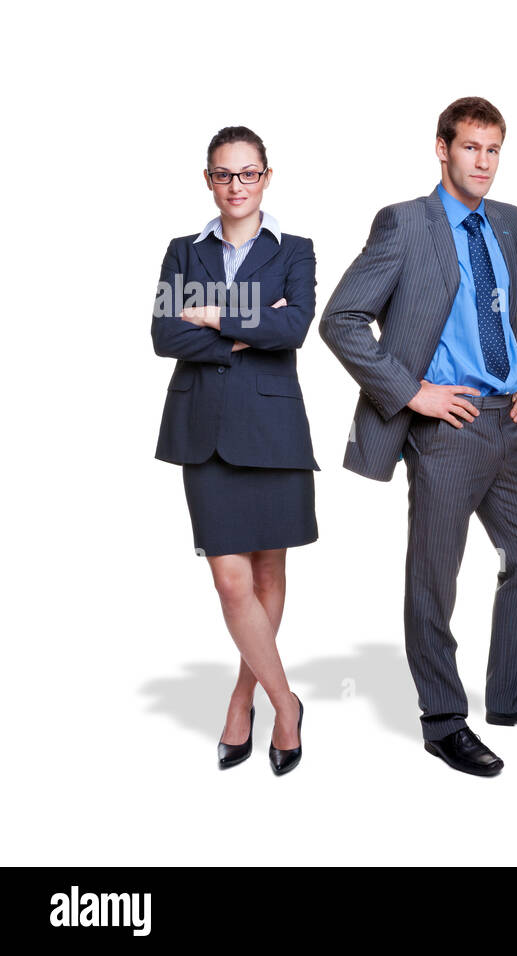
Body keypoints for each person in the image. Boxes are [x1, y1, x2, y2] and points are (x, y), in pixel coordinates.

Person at [319, 96, 517, 778]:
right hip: (445, 428)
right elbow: (342, 318)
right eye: (471, 148)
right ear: (442, 148)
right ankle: (443, 720)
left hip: (507, 422)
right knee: (435, 576)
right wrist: (414, 394)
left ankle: (510, 694)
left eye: (493, 149)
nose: (483, 162)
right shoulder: (406, 224)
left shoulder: (511, 222)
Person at [152, 126, 317, 775]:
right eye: (225, 174)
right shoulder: (181, 252)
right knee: (230, 577)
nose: (237, 186)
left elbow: (294, 325)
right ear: (209, 181)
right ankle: (287, 702)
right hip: (204, 428)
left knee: (269, 573)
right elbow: (164, 334)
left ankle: (242, 696)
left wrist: (215, 315)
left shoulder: (294, 250)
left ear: (266, 177)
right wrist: (250, 329)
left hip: (272, 431)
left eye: (249, 174)